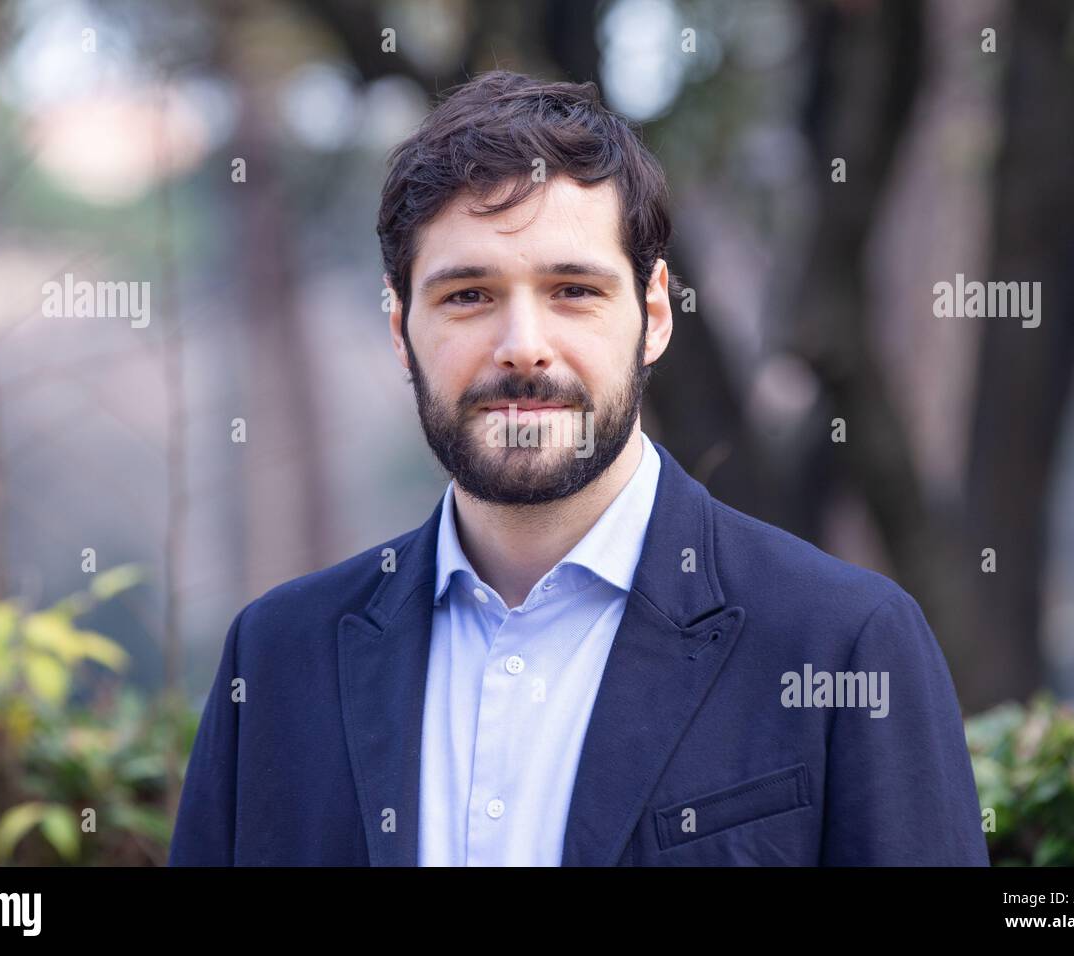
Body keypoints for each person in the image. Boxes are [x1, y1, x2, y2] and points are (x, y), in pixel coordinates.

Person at [169, 70, 989, 867]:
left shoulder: (843, 644)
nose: (523, 345)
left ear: (655, 314)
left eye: (572, 290)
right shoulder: (275, 662)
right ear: (400, 329)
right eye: (468, 295)